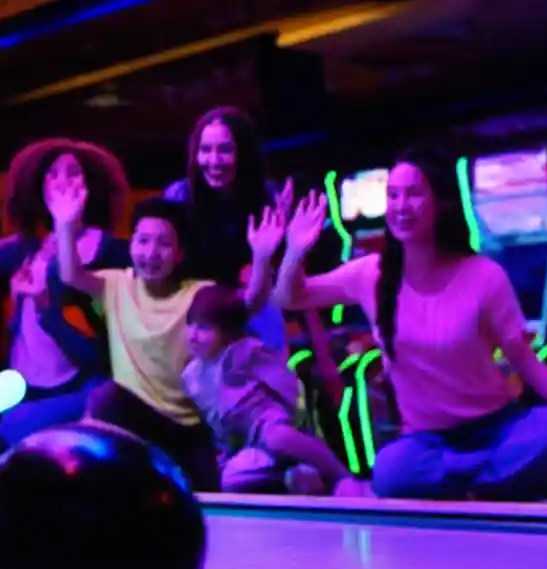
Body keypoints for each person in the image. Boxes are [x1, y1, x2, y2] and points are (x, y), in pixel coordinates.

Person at [272, 147, 547, 501]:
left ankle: (467, 483)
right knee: (392, 469)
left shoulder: (485, 275)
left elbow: (524, 359)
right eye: (393, 195)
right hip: (428, 442)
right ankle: (487, 484)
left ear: (444, 203)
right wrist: (295, 250)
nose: (401, 206)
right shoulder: (371, 273)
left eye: (414, 194)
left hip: (497, 429)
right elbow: (289, 297)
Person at [55, 190, 277, 493]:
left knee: (211, 494)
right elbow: (71, 274)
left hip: (186, 428)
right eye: (143, 241)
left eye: (163, 243)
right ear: (131, 245)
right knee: (105, 396)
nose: (151, 252)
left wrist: (262, 258)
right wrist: (65, 223)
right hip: (132, 421)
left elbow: (250, 303)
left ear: (180, 253)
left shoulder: (198, 294)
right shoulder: (116, 284)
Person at [0, 141, 131, 447]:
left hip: (78, 389)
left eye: (73, 172)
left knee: (15, 431)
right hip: (27, 386)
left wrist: (46, 308)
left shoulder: (111, 252)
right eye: (52, 173)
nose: (62, 181)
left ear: (91, 185)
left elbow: (100, 351)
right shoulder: (28, 246)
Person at [182, 279, 363, 496]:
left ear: (226, 331)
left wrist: (293, 423)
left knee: (278, 438)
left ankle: (341, 476)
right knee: (233, 478)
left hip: (271, 425)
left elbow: (287, 388)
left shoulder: (247, 352)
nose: (193, 335)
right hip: (247, 442)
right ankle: (290, 477)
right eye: (190, 325)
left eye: (204, 328)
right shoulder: (192, 376)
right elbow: (214, 421)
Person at [163, 106, 294, 351]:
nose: (213, 161)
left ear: (244, 153)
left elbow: (283, 280)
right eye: (205, 150)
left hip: (251, 309)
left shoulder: (267, 197)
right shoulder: (179, 197)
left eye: (224, 150)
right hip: (192, 313)